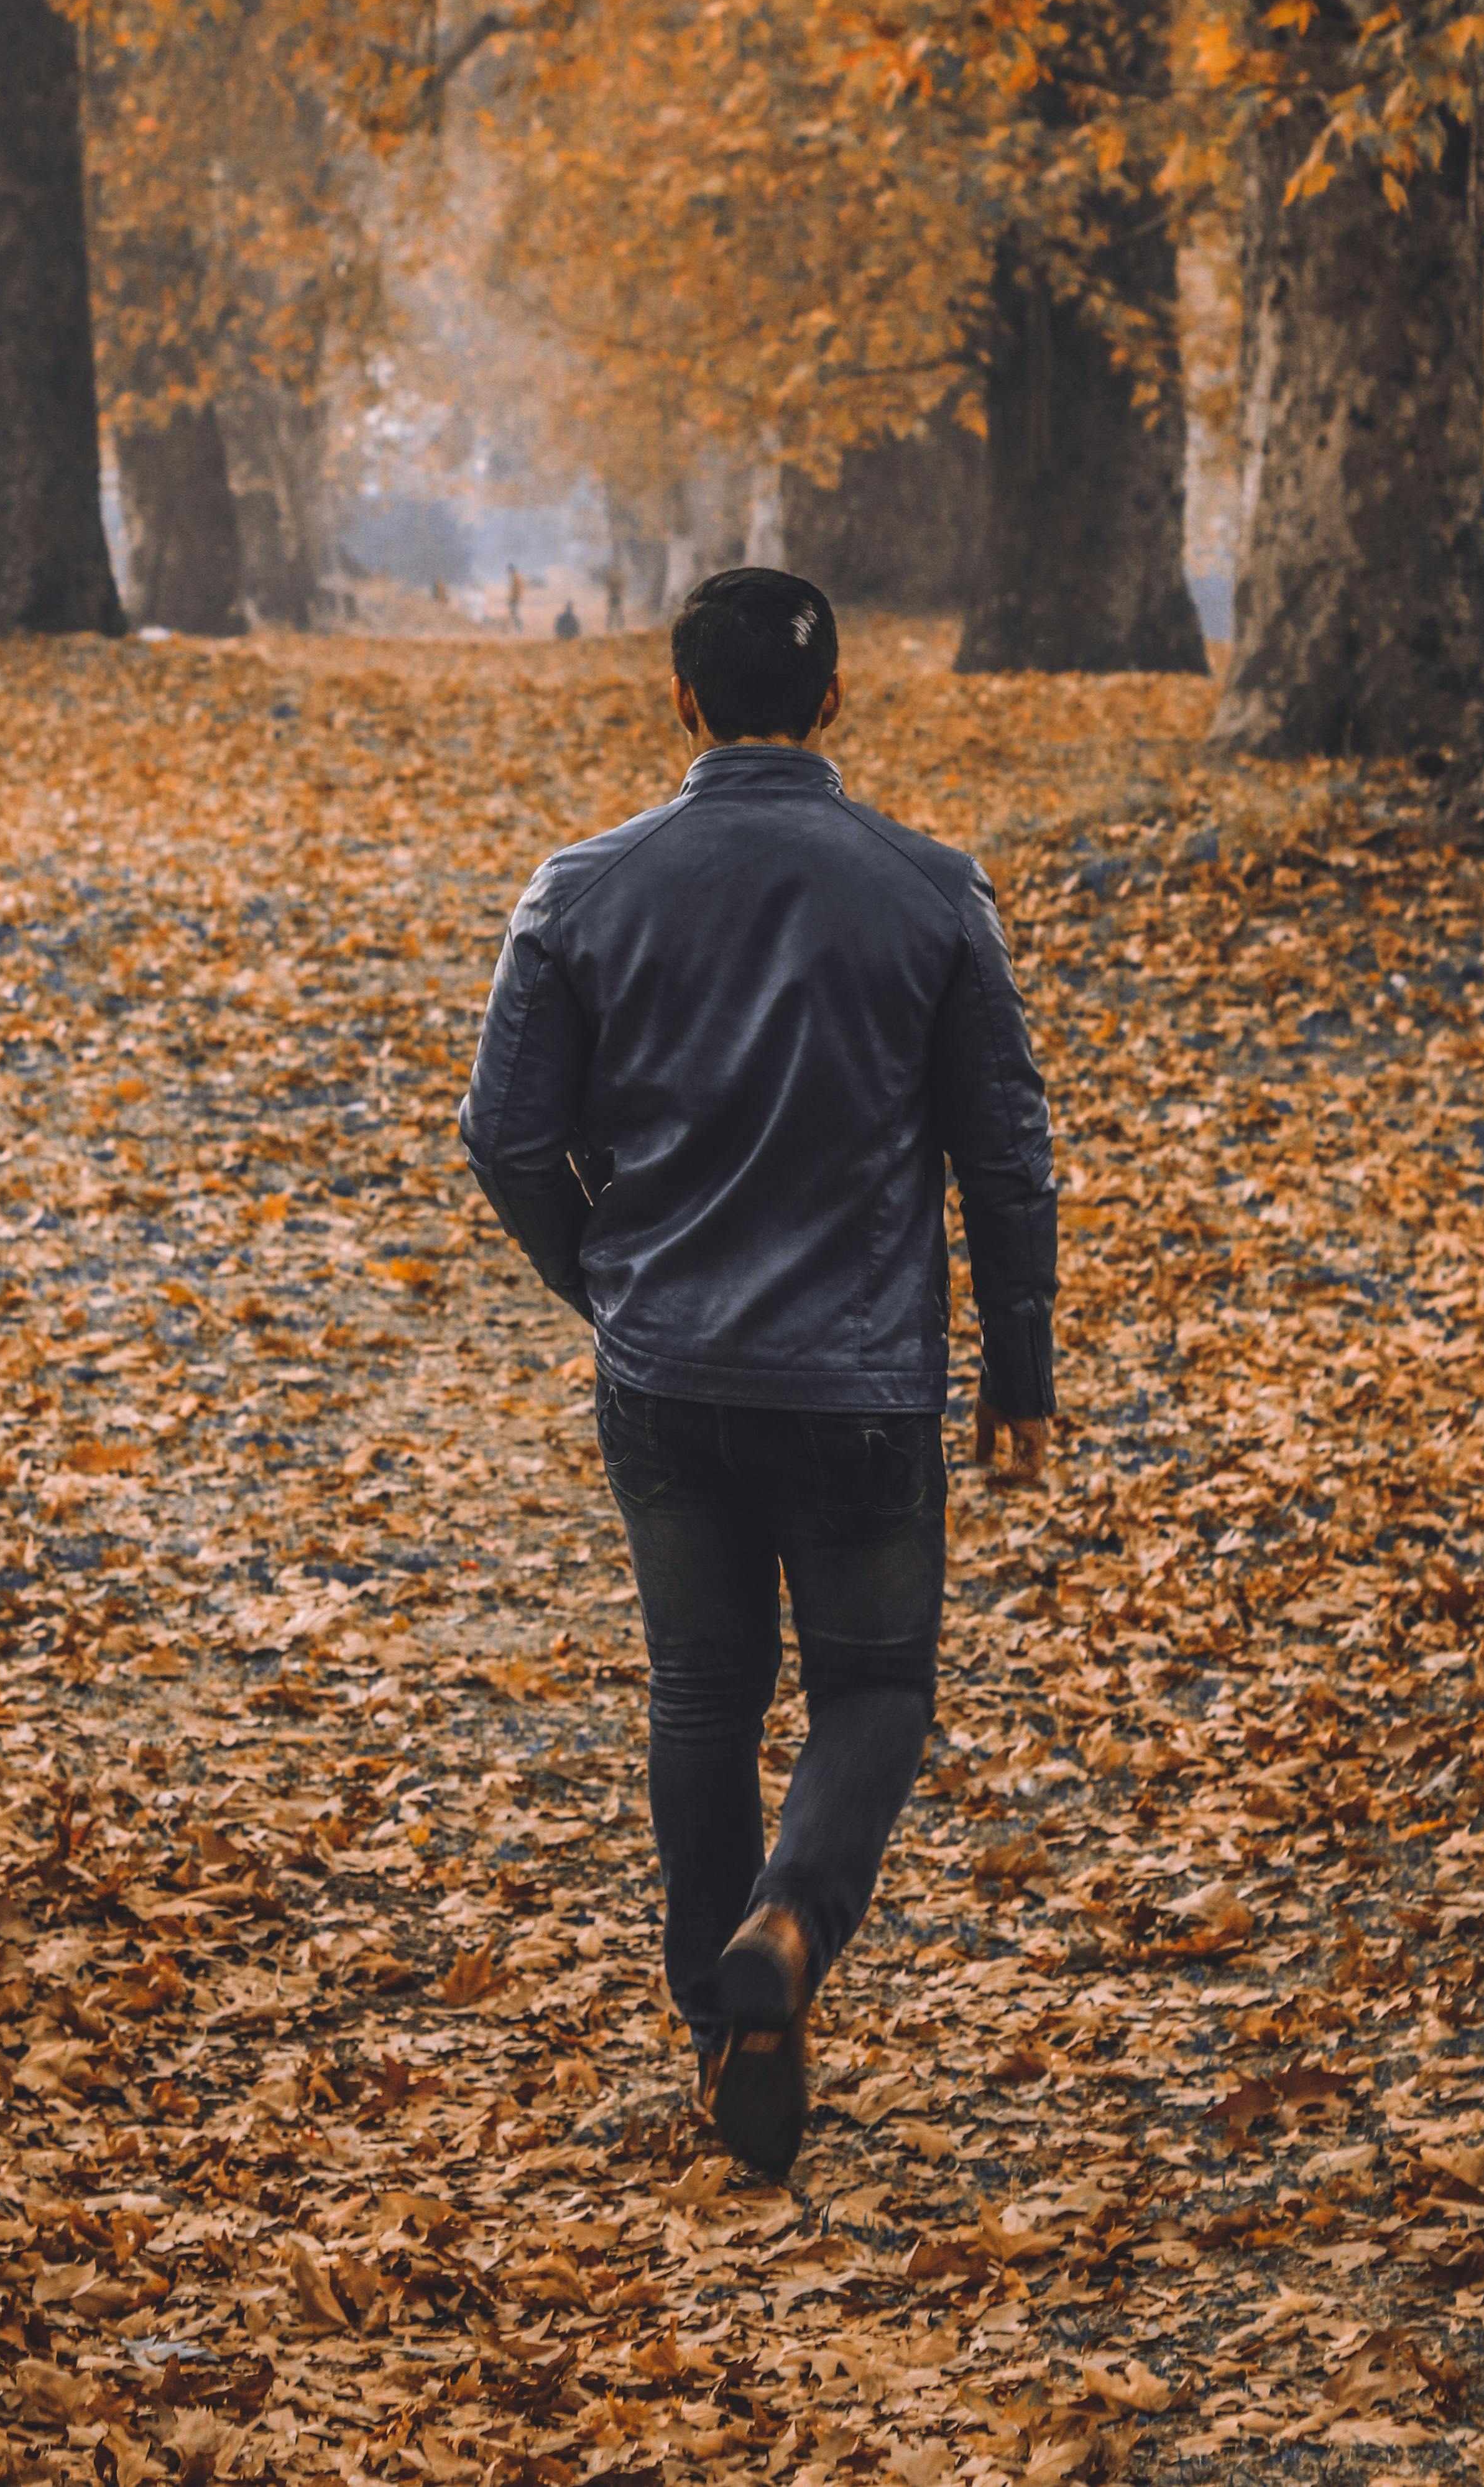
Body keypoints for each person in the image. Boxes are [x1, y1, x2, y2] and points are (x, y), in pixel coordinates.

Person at [458, 566, 1056, 2181]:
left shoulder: (581, 892)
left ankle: (721, 2034)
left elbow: (504, 1134)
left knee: (705, 1696)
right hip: (858, 1385)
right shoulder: (933, 894)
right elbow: (1005, 1157)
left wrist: (603, 1280)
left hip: (667, 1379)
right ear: (837, 703)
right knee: (874, 1688)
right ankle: (790, 1928)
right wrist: (1020, 1366)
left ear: (680, 701)